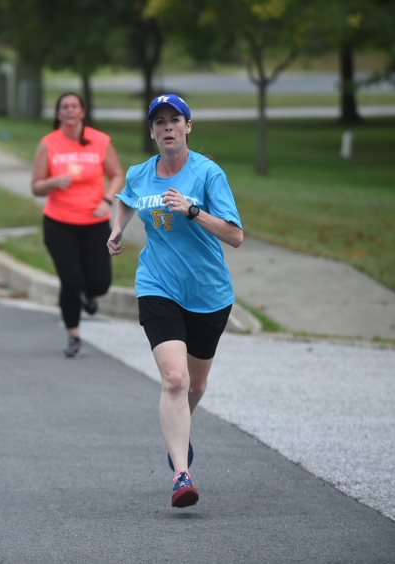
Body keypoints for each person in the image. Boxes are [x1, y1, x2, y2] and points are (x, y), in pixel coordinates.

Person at [107, 94, 244, 509]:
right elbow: (126, 198)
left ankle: (180, 433)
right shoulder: (140, 173)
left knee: (196, 384)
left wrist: (192, 210)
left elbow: (235, 235)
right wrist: (116, 230)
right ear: (151, 131)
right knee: (175, 379)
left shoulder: (208, 173)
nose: (167, 127)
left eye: (175, 120)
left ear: (188, 126)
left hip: (208, 293)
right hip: (157, 286)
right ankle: (181, 474)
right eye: (159, 122)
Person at [31, 92, 124, 358]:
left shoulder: (100, 141)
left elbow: (117, 174)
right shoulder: (48, 144)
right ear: (59, 113)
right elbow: (36, 186)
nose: (70, 111)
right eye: (64, 107)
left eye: (74, 106)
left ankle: (89, 294)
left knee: (100, 283)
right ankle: (73, 335)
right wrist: (51, 182)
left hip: (95, 221)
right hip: (59, 222)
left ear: (82, 112)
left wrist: (108, 200)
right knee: (70, 280)